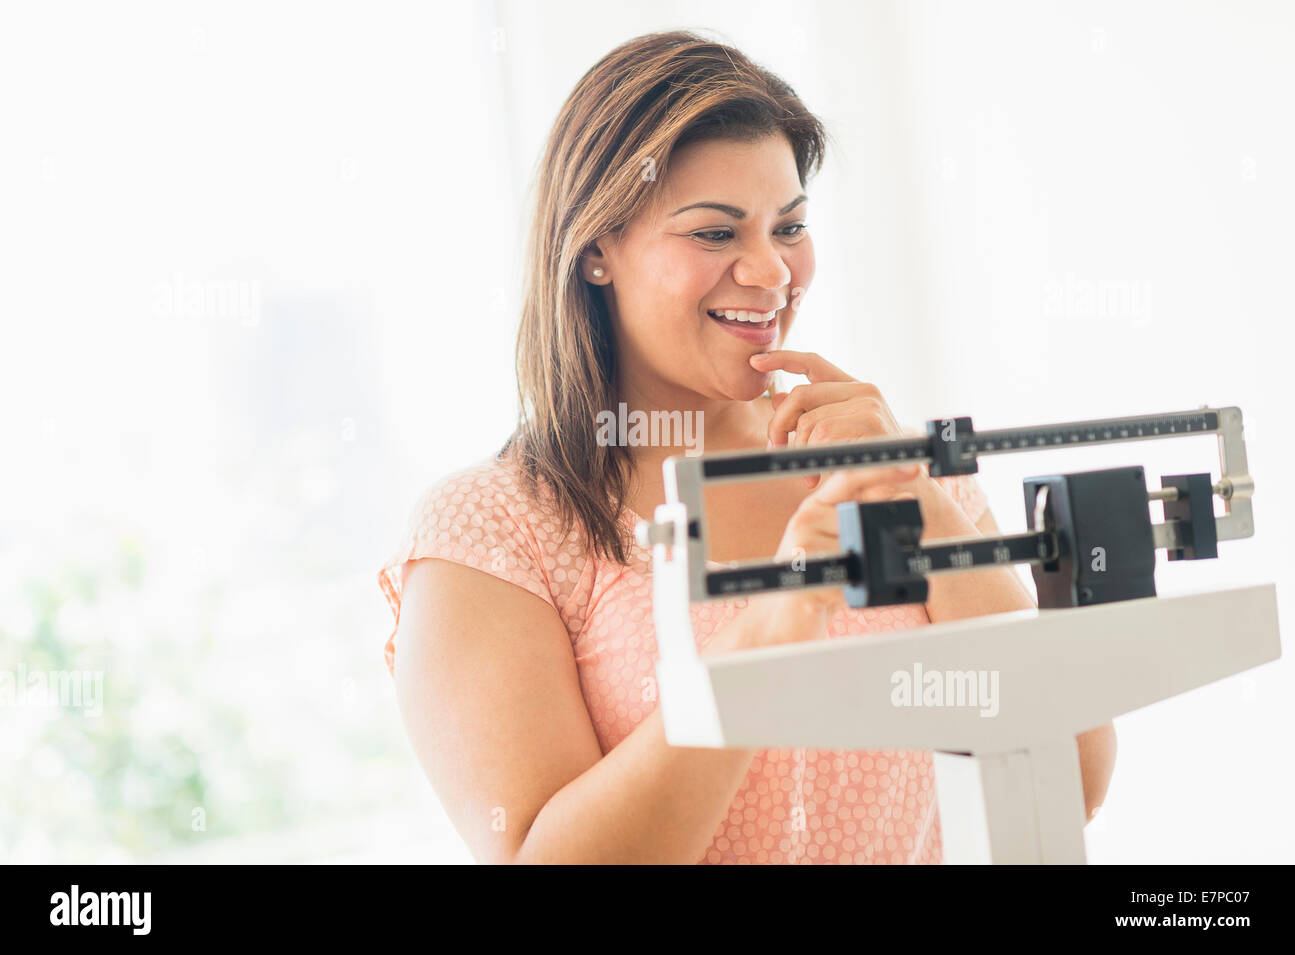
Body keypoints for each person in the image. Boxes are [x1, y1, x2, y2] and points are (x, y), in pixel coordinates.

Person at [378, 29, 1116, 864]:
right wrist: (775, 620)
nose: (770, 272)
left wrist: (920, 500)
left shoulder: (884, 459)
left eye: (789, 227)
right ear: (595, 251)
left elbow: (1070, 778)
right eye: (715, 234)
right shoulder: (493, 529)